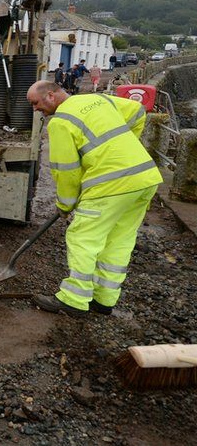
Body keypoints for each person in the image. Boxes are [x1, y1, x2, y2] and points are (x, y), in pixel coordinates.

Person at [25, 80, 161, 317]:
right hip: (144, 178)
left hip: (110, 184)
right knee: (119, 241)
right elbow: (138, 111)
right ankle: (103, 299)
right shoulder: (98, 99)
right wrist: (124, 146)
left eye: (35, 103)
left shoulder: (61, 122)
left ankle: (74, 300)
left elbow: (65, 170)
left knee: (82, 237)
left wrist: (65, 205)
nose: (35, 109)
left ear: (50, 96)